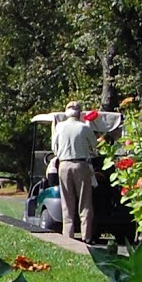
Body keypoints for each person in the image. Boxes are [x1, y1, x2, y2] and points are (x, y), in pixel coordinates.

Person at [50, 101, 100, 243]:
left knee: (67, 202)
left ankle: (68, 235)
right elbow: (94, 145)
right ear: (80, 113)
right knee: (85, 202)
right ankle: (87, 236)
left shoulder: (59, 127)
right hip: (81, 164)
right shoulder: (84, 128)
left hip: (64, 164)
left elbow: (54, 148)